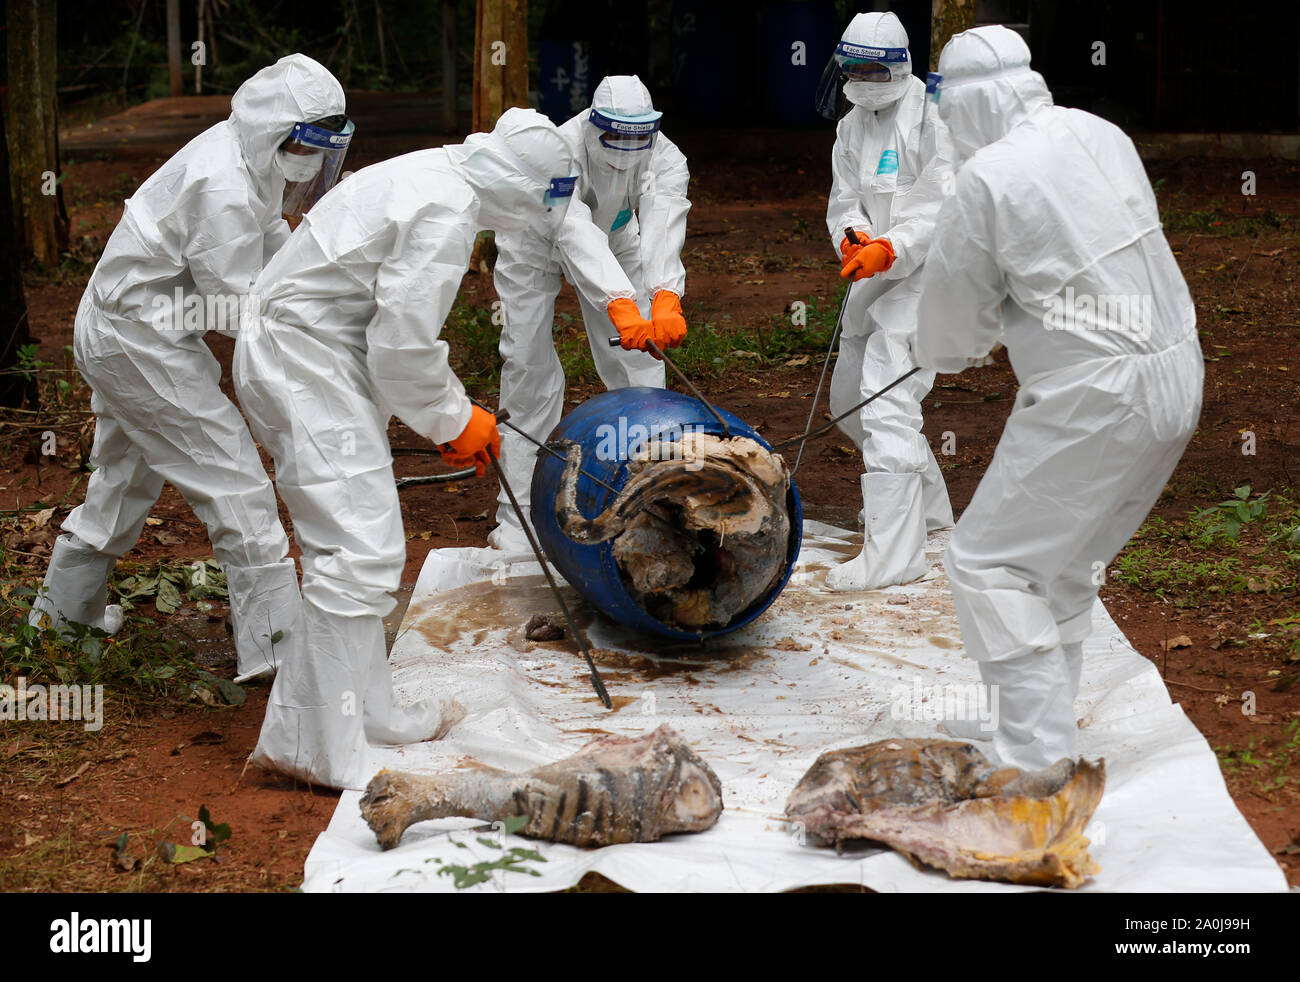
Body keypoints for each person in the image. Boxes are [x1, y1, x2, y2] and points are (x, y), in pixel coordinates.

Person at [237, 107, 578, 790]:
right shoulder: (447, 212)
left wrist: (447, 415)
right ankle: (315, 744)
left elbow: (382, 327)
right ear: (520, 188)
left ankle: (370, 710)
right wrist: (456, 419)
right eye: (545, 202)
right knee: (355, 552)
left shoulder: (439, 174)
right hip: (300, 363)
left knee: (365, 545)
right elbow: (402, 345)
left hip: (315, 358)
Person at [913, 26, 1203, 769]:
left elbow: (951, 328)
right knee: (1062, 561)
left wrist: (947, 347)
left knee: (988, 564)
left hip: (1099, 394)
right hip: (1177, 369)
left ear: (965, 105)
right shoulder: (1096, 131)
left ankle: (1032, 764)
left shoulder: (987, 179)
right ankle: (1046, 734)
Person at [30, 54, 350, 685]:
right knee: (237, 484)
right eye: (303, 143)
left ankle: (61, 620)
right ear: (273, 127)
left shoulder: (248, 159)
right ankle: (279, 656)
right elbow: (237, 308)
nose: (310, 160)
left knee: (122, 483)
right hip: (139, 341)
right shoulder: (224, 184)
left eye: (321, 146)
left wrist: (316, 287)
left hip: (140, 329)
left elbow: (271, 248)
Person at [489, 75, 690, 552]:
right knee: (528, 369)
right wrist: (618, 302)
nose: (626, 147)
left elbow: (663, 216)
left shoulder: (666, 155)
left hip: (618, 240)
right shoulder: (559, 149)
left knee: (642, 366)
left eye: (638, 136)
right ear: (592, 124)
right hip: (532, 242)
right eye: (615, 135)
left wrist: (664, 294)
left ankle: (649, 495)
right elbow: (571, 228)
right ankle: (517, 522)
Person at [818, 12, 955, 592]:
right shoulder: (851, 126)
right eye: (851, 66)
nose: (859, 77)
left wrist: (892, 246)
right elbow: (844, 198)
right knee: (850, 400)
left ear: (898, 67)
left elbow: (940, 205)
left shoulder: (934, 120)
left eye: (871, 67)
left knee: (885, 393)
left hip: (939, 272)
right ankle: (928, 519)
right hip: (877, 268)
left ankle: (895, 553)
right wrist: (852, 234)